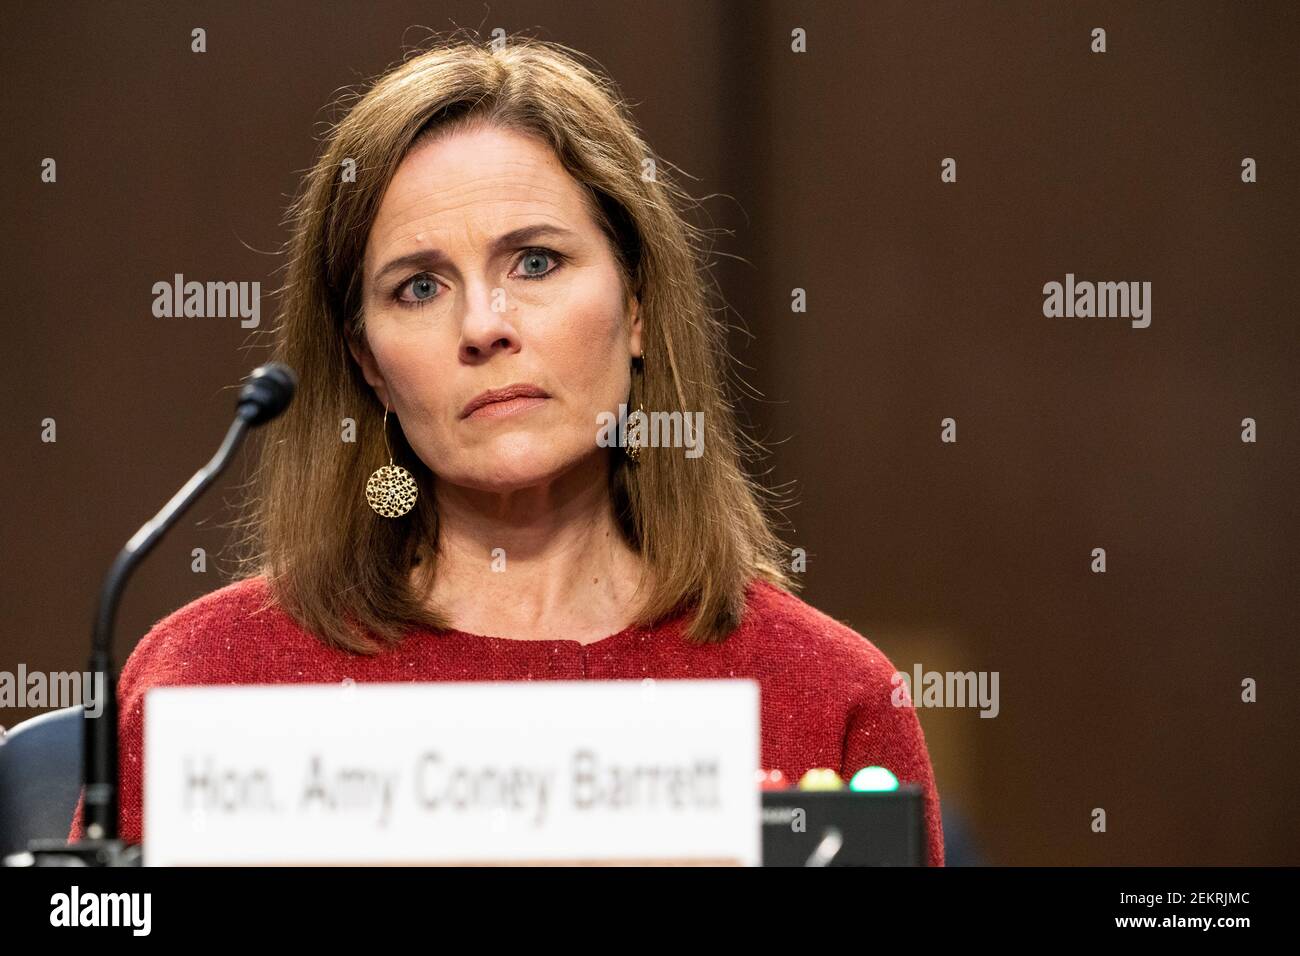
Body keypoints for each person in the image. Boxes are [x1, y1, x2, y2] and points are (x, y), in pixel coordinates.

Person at [70, 35, 944, 866]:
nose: (484, 327)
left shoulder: (826, 694)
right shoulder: (209, 681)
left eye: (533, 263)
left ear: (636, 305)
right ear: (368, 362)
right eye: (419, 287)